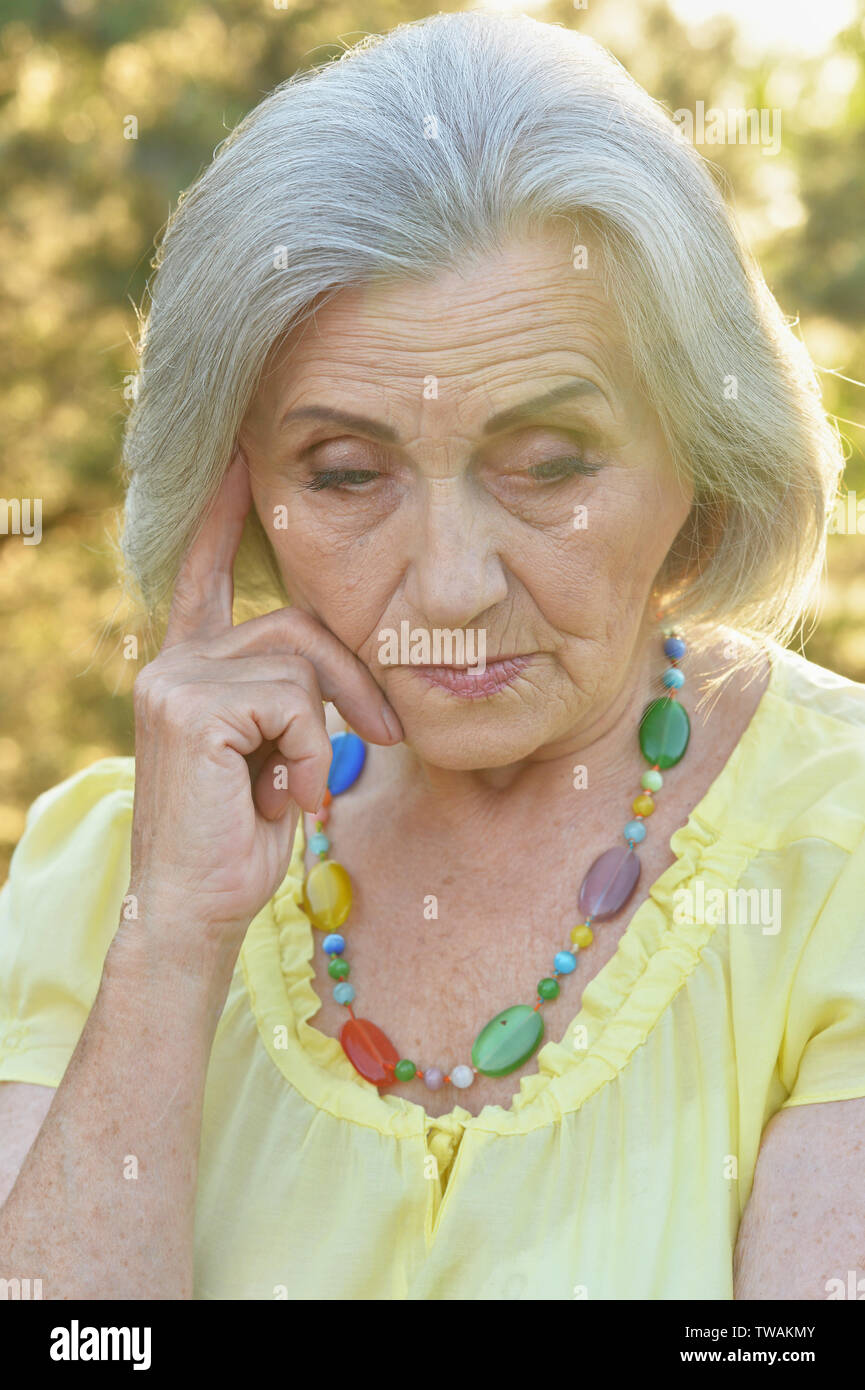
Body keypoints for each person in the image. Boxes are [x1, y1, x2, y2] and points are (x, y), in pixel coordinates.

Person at [1, 11, 864, 1300]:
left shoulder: (839, 854)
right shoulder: (111, 878)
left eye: (549, 465)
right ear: (229, 495)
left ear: (702, 458)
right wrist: (173, 941)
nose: (450, 588)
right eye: (346, 474)